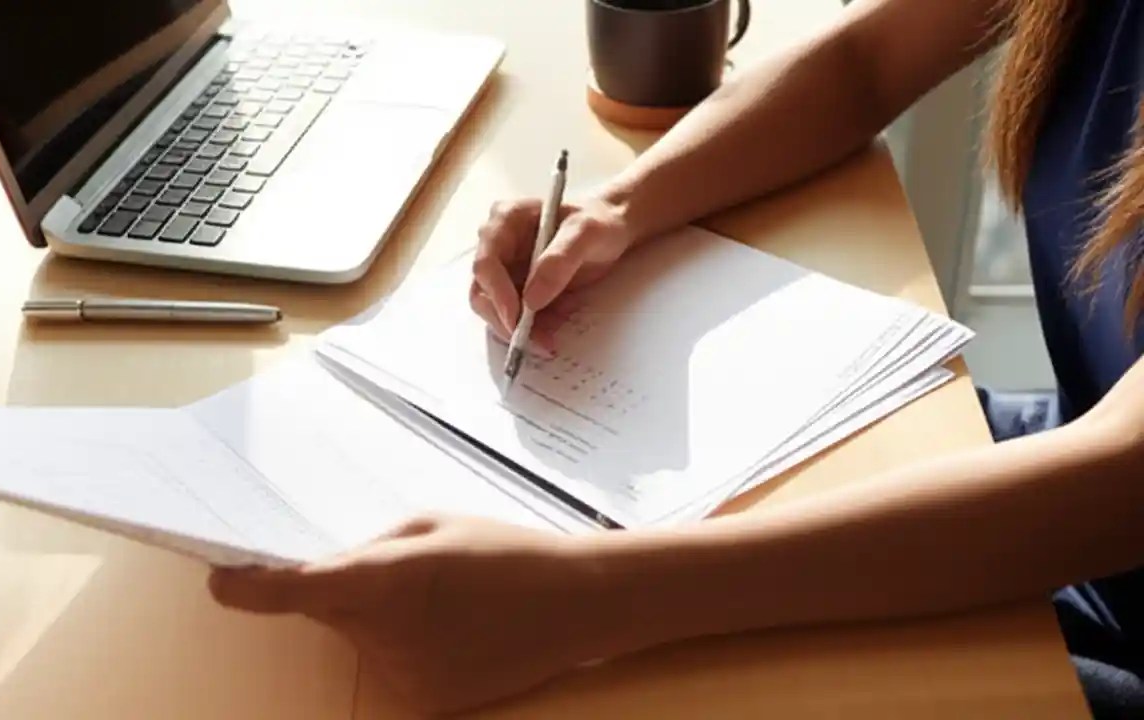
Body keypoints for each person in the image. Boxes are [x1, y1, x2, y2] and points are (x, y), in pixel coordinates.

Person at [208, 0, 1144, 716]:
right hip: (1043, 456)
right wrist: (618, 208)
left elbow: (1119, 488)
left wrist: (586, 603)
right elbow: (865, 59)